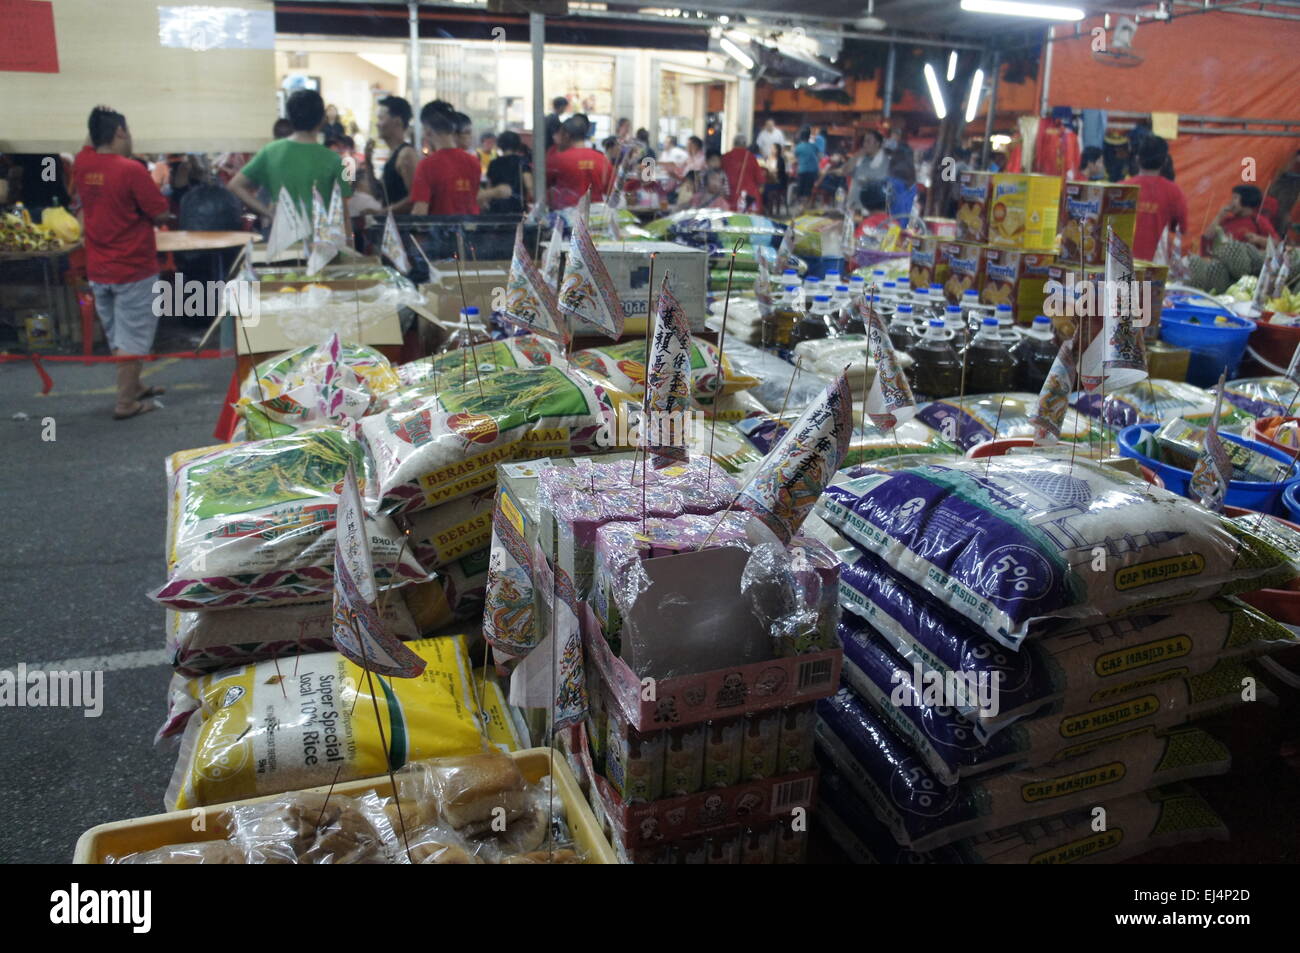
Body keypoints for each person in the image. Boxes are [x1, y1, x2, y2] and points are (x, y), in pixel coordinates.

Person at [73, 106, 172, 420]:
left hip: (99, 269)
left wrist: (99, 121)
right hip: (133, 268)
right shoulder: (130, 170)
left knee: (119, 334)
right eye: (127, 130)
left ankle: (135, 386)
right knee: (134, 336)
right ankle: (125, 402)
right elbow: (160, 213)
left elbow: (90, 139)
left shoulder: (82, 163)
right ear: (119, 132)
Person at [229, 89, 353, 231]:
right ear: (322, 119)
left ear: (289, 118)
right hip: (321, 243)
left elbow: (235, 186)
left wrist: (268, 213)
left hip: (282, 240)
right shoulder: (335, 160)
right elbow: (343, 214)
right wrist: (349, 246)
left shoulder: (270, 151)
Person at [411, 108, 495, 215]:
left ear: (427, 131)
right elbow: (477, 200)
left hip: (440, 230)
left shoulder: (426, 165)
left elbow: (420, 211)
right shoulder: (473, 162)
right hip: (470, 229)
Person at [1122, 136, 1188, 260]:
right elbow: (1182, 228)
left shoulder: (1121, 189)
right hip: (1156, 267)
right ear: (1165, 161)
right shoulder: (1174, 192)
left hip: (1121, 263)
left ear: (1137, 159)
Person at [547, 114, 613, 209]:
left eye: (560, 134)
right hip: (595, 216)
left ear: (566, 135)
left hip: (566, 217)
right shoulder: (602, 159)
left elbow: (543, 186)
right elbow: (611, 190)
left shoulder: (558, 159)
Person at [368, 95, 417, 213]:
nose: (377, 124)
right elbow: (378, 194)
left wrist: (382, 213)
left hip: (402, 229)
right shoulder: (393, 153)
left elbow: (415, 198)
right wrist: (368, 162)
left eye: (381, 118)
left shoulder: (406, 154)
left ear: (397, 121)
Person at [1202, 184, 1279, 254]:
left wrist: (1258, 239)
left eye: (1235, 198)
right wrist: (1219, 216)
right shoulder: (1227, 220)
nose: (1230, 202)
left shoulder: (1258, 220)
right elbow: (1206, 238)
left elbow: (1276, 243)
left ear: (1246, 200)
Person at [486, 130, 532, 214]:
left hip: (497, 209)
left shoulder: (493, 163)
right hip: (517, 208)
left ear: (500, 145)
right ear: (518, 145)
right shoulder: (522, 162)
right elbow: (529, 185)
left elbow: (489, 187)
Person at [721, 134, 763, 212]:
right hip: (749, 195)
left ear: (733, 143)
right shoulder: (751, 157)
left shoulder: (725, 157)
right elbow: (760, 179)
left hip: (728, 195)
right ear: (745, 145)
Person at [849, 129, 889, 212]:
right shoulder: (862, 159)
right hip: (853, 206)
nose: (864, 144)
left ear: (877, 144)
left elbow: (882, 185)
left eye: (868, 141)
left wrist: (867, 180)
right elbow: (849, 172)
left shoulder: (885, 162)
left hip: (870, 211)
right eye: (864, 141)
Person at [1265, 150, 1300, 238]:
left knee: (1283, 215)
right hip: (1283, 182)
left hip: (1292, 186)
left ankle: (1279, 238)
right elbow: (1280, 172)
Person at [794, 127, 820, 205]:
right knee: (808, 190)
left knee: (800, 189)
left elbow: (796, 158)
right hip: (813, 171)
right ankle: (805, 204)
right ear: (809, 137)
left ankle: (801, 205)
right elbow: (818, 156)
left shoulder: (798, 147)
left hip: (803, 170)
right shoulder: (814, 146)